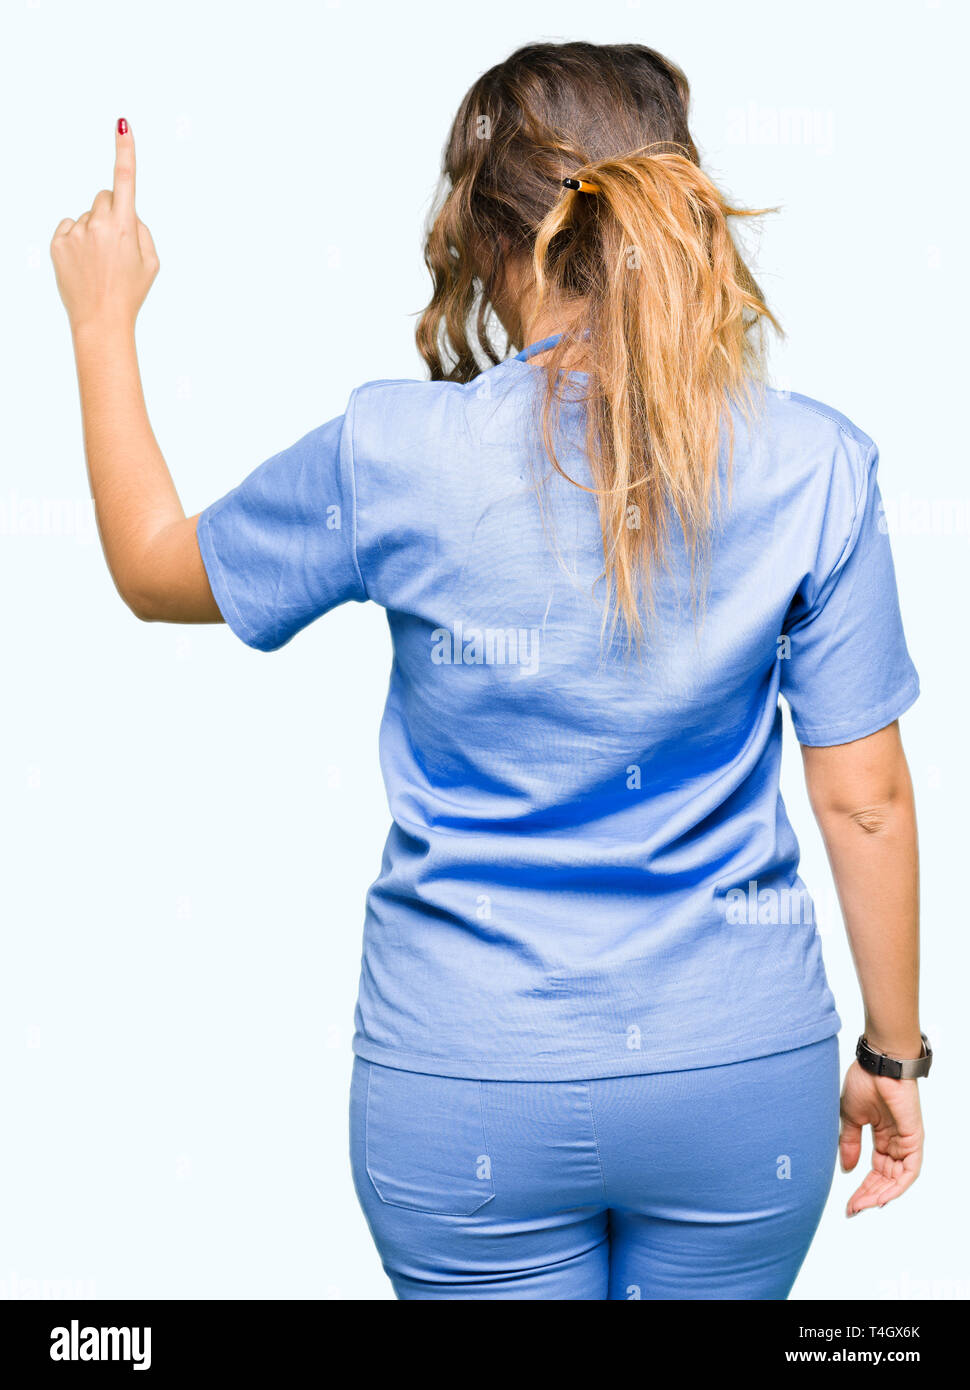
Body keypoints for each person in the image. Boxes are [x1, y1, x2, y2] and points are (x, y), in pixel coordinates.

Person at [51, 42, 928, 1301]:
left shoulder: (391, 453)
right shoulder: (814, 463)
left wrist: (101, 320)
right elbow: (865, 798)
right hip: (738, 1086)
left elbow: (151, 568)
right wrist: (892, 1059)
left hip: (462, 1088)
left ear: (478, 224)